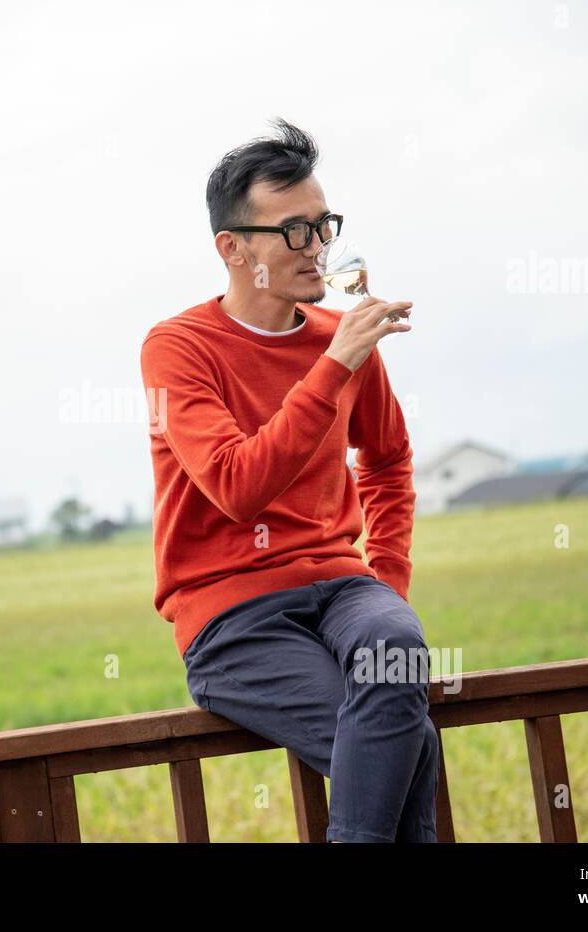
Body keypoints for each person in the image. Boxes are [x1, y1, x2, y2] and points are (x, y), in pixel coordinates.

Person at [139, 117, 438, 842]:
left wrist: (386, 580)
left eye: (323, 224)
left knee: (395, 646)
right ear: (232, 247)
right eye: (294, 230)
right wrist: (334, 365)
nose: (318, 247)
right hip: (230, 617)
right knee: (407, 744)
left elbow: (389, 459)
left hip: (343, 587)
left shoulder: (341, 337)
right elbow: (237, 483)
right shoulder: (176, 349)